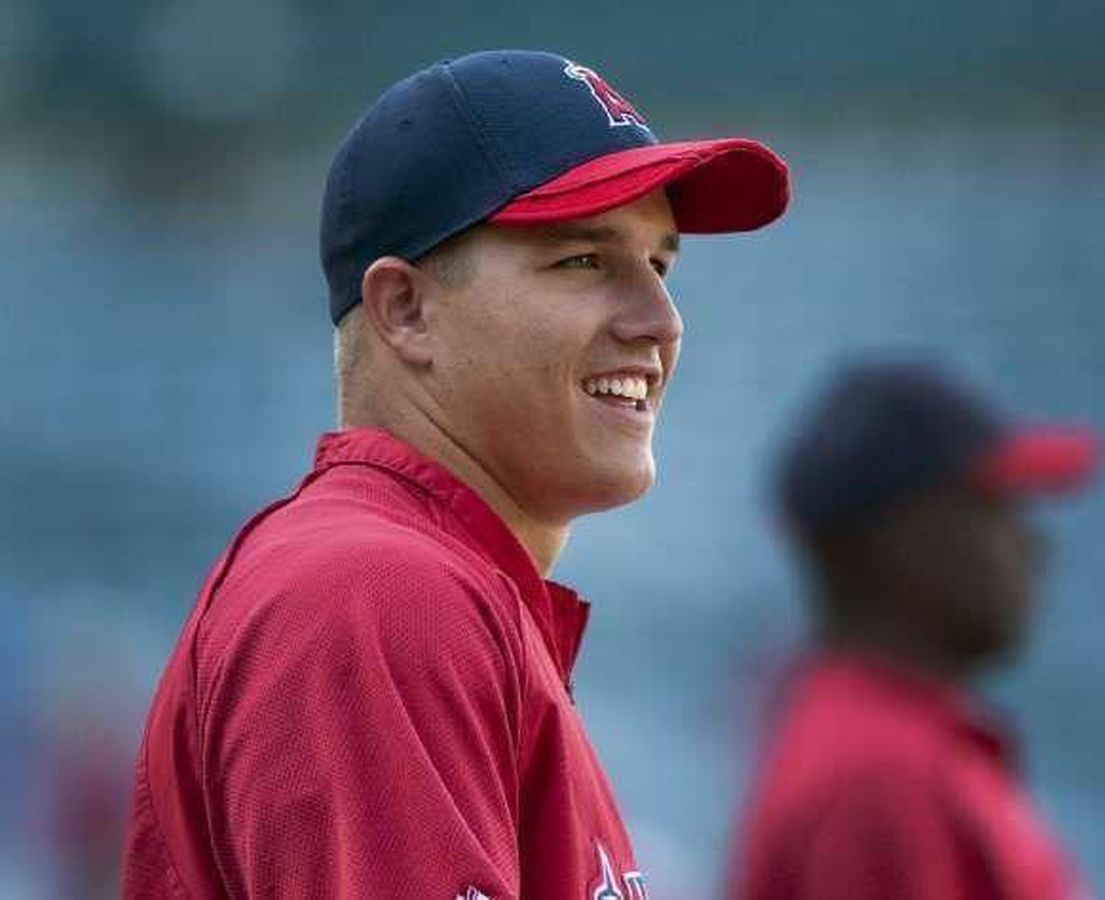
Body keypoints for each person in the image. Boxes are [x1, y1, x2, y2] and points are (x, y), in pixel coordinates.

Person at [122, 49, 789, 899]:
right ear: (406, 309)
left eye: (659, 266)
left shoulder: (440, 589)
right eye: (583, 259)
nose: (660, 321)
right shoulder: (376, 591)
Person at [728, 358, 1102, 900]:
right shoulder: (883, 780)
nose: (1034, 544)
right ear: (901, 539)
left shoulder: (885, 744)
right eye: (997, 507)